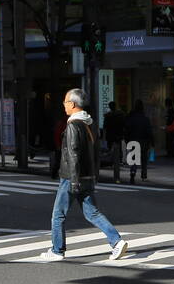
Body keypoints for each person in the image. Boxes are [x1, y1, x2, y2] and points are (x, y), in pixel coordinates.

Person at [37, 89, 128, 262]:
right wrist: (94, 175)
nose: (64, 105)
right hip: (87, 175)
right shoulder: (89, 124)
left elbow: (73, 154)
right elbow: (94, 152)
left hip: (72, 177)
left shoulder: (72, 125)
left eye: (65, 102)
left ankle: (57, 250)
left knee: (58, 215)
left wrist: (73, 180)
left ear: (72, 104)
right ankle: (117, 242)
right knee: (92, 213)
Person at [123, 101, 152, 183]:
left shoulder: (131, 119)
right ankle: (143, 175)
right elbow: (149, 132)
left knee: (134, 159)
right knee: (144, 159)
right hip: (144, 141)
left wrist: (127, 140)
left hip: (133, 141)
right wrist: (151, 142)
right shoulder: (145, 119)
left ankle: (132, 173)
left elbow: (127, 130)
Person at [103, 100, 126, 183]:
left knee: (110, 151)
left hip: (110, 136)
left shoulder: (108, 116)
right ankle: (118, 165)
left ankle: (112, 163)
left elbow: (105, 128)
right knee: (118, 152)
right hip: (118, 136)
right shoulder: (121, 115)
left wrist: (103, 138)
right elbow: (124, 125)